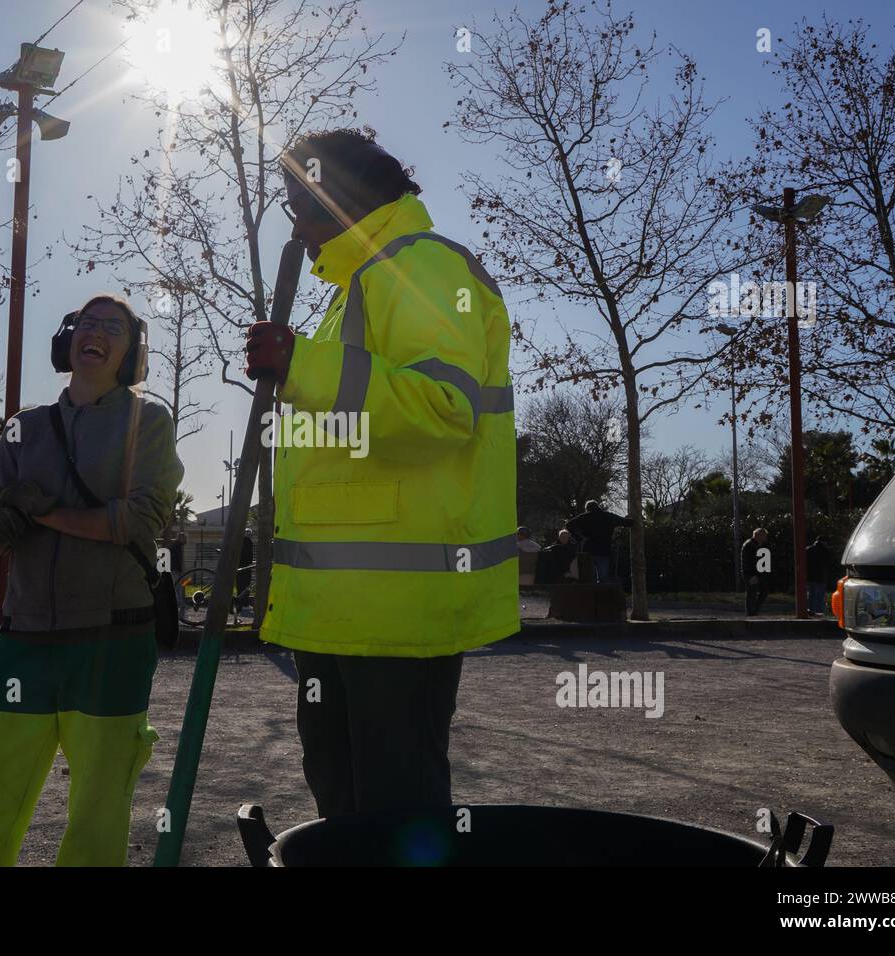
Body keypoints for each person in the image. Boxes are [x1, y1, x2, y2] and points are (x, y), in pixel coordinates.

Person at [244, 128, 518, 817]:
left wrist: (301, 366)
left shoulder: (421, 266)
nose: (296, 226)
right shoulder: (360, 287)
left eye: (297, 206)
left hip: (393, 616)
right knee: (349, 809)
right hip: (343, 612)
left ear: (337, 198)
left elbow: (441, 409)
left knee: (394, 815)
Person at [0, 293, 183, 867]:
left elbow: (138, 520)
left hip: (112, 640)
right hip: (24, 640)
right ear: (67, 341)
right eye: (85, 322)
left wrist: (42, 513)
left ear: (131, 351)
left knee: (98, 812)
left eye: (113, 326)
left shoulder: (148, 420)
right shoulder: (23, 428)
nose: (94, 332)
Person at [565, 500, 634, 584]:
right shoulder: (608, 516)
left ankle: (591, 595)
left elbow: (568, 525)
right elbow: (626, 522)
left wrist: (579, 538)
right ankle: (602, 596)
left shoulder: (584, 517)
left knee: (590, 578)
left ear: (587, 509)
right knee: (603, 577)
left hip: (588, 550)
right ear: (597, 506)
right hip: (604, 550)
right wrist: (632, 519)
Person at [741, 527, 771, 616]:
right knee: (751, 592)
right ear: (758, 535)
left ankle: (754, 610)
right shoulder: (749, 545)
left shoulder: (761, 545)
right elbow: (748, 562)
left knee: (763, 591)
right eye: (764, 536)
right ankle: (750, 612)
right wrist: (752, 575)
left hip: (759, 572)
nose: (765, 538)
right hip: (750, 573)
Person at [805, 537, 833, 616]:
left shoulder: (808, 549)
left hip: (810, 576)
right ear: (824, 542)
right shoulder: (826, 551)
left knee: (811, 594)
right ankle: (819, 611)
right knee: (820, 595)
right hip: (821, 576)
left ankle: (810, 609)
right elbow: (829, 562)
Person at [235, 528, 254, 608]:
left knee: (239, 584)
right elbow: (249, 555)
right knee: (246, 584)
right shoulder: (249, 541)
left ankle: (240, 601)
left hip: (239, 565)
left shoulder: (240, 541)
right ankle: (245, 602)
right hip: (246, 566)